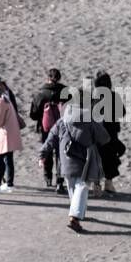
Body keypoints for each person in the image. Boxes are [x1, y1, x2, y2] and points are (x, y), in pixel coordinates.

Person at [40, 94, 111, 232]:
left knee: (73, 187)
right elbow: (104, 137)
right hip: (85, 160)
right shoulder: (89, 121)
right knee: (82, 186)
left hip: (66, 160)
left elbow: (50, 139)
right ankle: (75, 216)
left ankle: (78, 213)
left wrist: (42, 155)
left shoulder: (61, 122)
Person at [28, 68, 67, 192]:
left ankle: (48, 178)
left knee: (47, 151)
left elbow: (33, 115)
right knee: (61, 155)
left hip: (46, 128)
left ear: (48, 78)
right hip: (63, 127)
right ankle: (60, 181)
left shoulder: (40, 94)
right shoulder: (66, 92)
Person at [91, 71, 126, 195]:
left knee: (96, 158)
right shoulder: (114, 96)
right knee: (110, 158)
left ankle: (96, 186)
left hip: (96, 134)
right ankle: (109, 183)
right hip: (111, 133)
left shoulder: (93, 97)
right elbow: (122, 112)